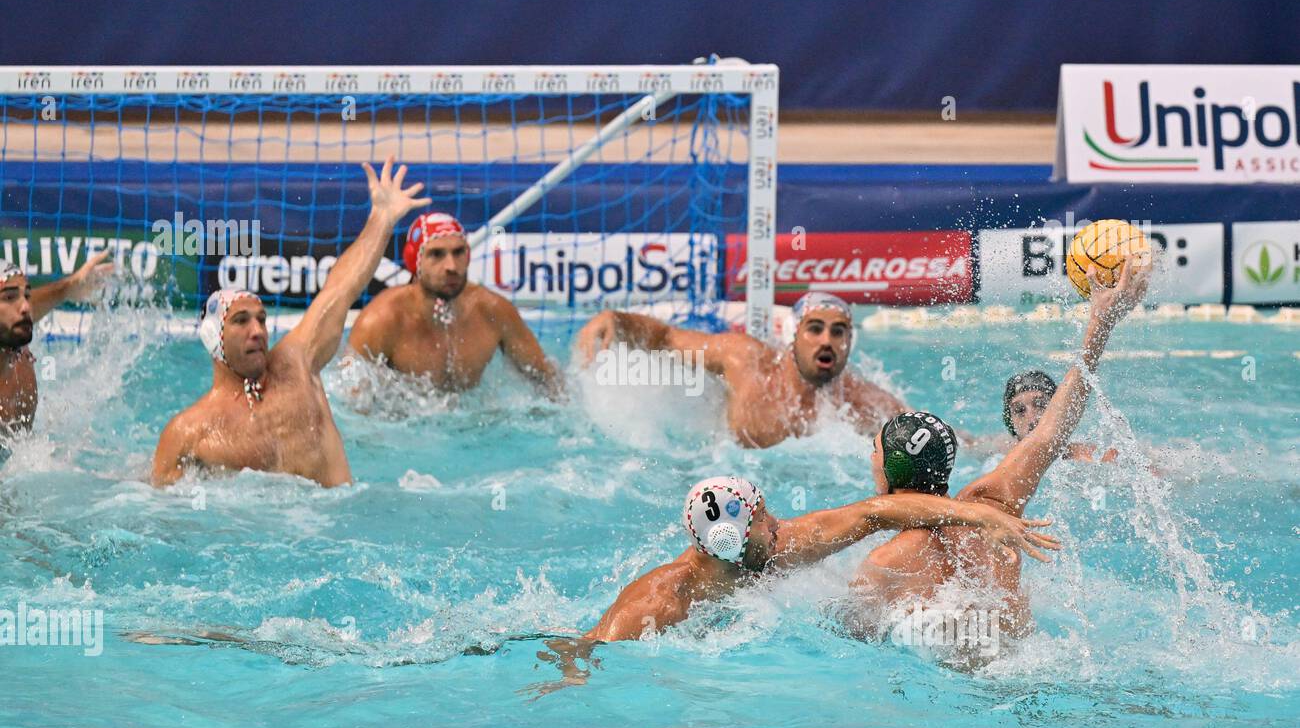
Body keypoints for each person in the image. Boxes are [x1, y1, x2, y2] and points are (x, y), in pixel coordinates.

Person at [524, 473, 1057, 696]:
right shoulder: (662, 603)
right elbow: (588, 649)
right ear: (733, 537)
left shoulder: (775, 550)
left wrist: (975, 516)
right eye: (763, 516)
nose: (778, 523)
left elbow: (876, 512)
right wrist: (568, 682)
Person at [850, 254, 1152, 642]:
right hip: (1027, 665)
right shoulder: (989, 506)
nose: (870, 458)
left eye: (874, 451)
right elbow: (1050, 433)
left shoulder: (882, 567)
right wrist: (1100, 324)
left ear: (889, 470)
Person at [150, 157, 431, 487]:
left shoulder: (297, 363)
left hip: (345, 527)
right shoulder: (189, 432)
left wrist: (381, 219)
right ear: (213, 335)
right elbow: (157, 510)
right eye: (241, 321)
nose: (258, 331)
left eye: (261, 320)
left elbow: (339, 290)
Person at [572, 291, 907, 448]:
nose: (826, 341)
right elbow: (667, 338)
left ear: (850, 341)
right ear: (794, 335)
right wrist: (616, 320)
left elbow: (925, 434)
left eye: (838, 332)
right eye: (815, 328)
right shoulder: (745, 360)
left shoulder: (863, 401)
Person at [345, 212, 563, 399]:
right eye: (436, 254)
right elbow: (350, 407)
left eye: (458, 252)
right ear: (414, 261)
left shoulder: (493, 311)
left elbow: (548, 380)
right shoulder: (381, 321)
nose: (451, 266)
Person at [0, 250, 113, 435]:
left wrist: (69, 287)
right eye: (9, 297)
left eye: (26, 295)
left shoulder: (21, 365)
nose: (26, 307)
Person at [1002, 370, 1117, 463]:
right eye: (1019, 410)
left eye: (1041, 405)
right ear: (1010, 421)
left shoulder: (1091, 457)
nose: (1032, 419)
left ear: (1058, 411)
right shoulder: (1001, 453)